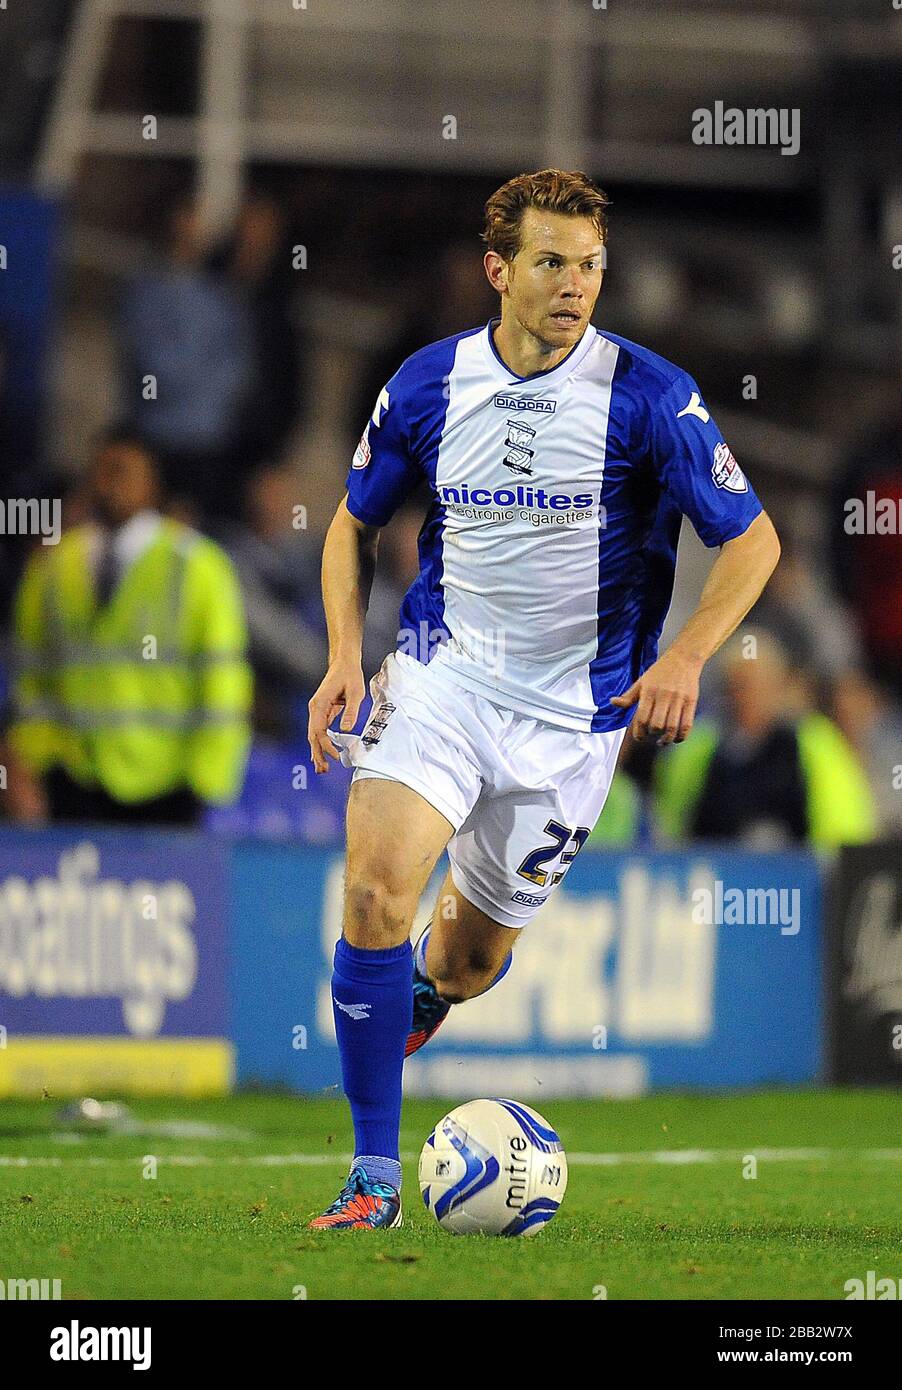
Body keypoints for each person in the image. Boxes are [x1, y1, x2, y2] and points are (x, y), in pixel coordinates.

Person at [305, 169, 781, 1229]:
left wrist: (687, 655)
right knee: (378, 887)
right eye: (552, 263)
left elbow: (750, 542)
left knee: (471, 962)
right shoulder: (428, 384)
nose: (576, 285)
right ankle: (372, 1175)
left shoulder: (650, 395)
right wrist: (346, 652)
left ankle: (421, 990)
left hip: (573, 721)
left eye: (591, 265)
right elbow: (351, 523)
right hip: (442, 676)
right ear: (498, 271)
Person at [5, 429, 252, 826]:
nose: (108, 485)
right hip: (72, 778)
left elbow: (223, 680)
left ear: (153, 484)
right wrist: (32, 758)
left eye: (122, 472)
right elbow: (33, 679)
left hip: (168, 784)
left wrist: (208, 779)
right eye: (101, 471)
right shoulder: (51, 568)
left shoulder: (200, 568)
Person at [654, 631, 876, 849]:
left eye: (758, 685)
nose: (748, 697)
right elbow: (671, 825)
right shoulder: (697, 745)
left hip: (796, 874)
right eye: (738, 686)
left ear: (778, 687)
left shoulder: (814, 743)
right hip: (717, 873)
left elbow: (843, 826)